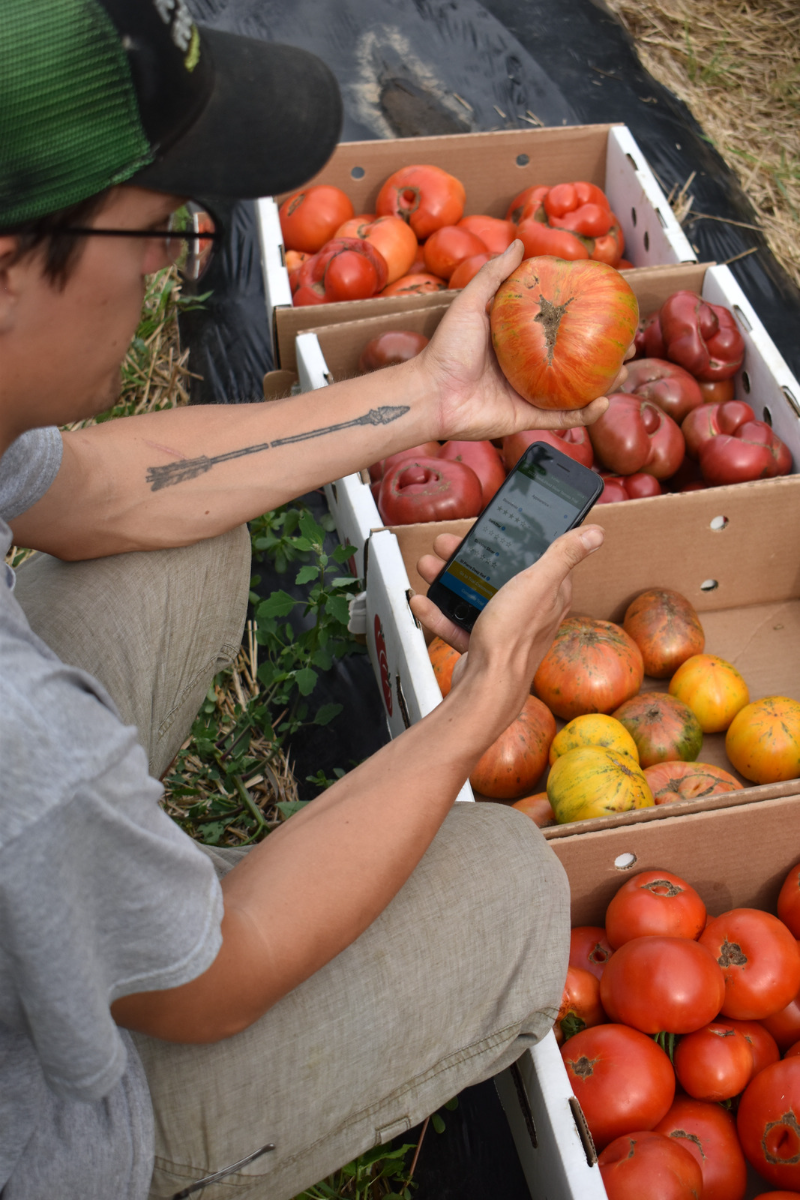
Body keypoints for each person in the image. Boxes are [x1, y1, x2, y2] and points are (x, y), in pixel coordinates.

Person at [0, 2, 621, 1197]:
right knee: (506, 890)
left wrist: (425, 402)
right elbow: (214, 983)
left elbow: (105, 494)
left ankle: (101, 902)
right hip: (47, 1134)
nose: (159, 259)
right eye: (156, 229)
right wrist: (477, 701)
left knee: (176, 543)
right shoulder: (28, 744)